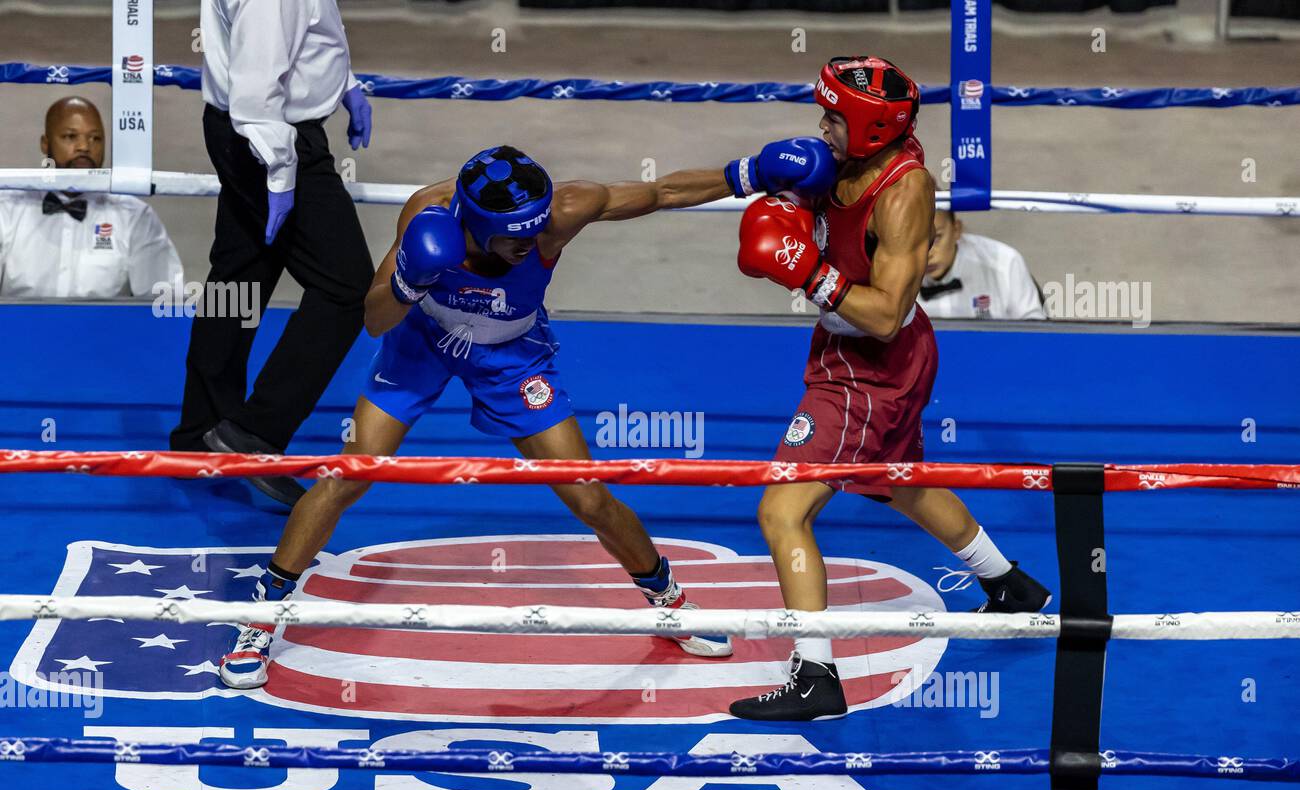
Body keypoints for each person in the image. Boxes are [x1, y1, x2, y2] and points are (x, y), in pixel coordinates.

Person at [217, 145, 739, 689]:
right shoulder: (427, 211)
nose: (530, 245)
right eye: (515, 237)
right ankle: (263, 614)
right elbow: (374, 319)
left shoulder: (563, 211)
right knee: (348, 476)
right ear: (475, 222)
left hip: (513, 357)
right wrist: (406, 283)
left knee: (589, 496)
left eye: (534, 232)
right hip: (423, 342)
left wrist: (745, 174)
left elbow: (663, 192)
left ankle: (668, 600)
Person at [724, 57, 1052, 721]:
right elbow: (698, 187)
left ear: (872, 129)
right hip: (878, 356)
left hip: (867, 363)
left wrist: (806, 269)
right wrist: (729, 179)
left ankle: (815, 674)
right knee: (899, 480)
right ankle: (1009, 583)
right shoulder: (837, 161)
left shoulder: (905, 193)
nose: (822, 124)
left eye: (835, 116)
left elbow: (884, 313)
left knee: (781, 510)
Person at [170, 0, 376, 508]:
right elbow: (258, 88)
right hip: (269, 137)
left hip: (244, 131)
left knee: (240, 276)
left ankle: (201, 434)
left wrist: (341, 80)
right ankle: (255, 432)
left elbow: (298, 33)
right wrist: (282, 174)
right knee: (348, 288)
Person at [0, 96, 181, 298]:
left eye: (95, 138)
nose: (84, 147)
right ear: (45, 144)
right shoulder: (6, 210)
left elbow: (167, 303)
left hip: (107, 330)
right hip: (16, 330)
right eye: (70, 136)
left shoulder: (135, 217)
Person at [921, 209, 1046, 320]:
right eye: (916, 240)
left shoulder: (1004, 262)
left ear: (956, 230)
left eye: (936, 238)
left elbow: (1034, 331)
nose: (927, 253)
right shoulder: (900, 273)